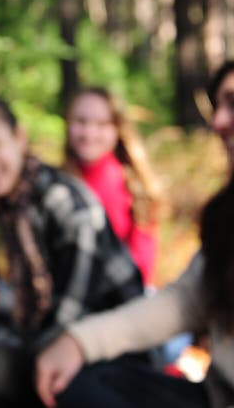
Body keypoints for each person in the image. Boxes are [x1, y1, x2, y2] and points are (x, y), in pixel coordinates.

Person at [35, 61, 234, 408]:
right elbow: (189, 298)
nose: (217, 123)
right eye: (219, 106)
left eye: (233, 103)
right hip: (211, 389)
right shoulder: (225, 213)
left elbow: (138, 268)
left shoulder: (127, 188)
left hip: (125, 297)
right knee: (87, 382)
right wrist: (79, 341)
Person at [0, 92, 143, 407]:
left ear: (19, 138)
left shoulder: (64, 203)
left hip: (108, 347)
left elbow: (71, 314)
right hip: (54, 329)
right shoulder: (9, 204)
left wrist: (18, 347)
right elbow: (29, 297)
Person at [65, 87, 162, 285]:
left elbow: (142, 264)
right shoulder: (58, 182)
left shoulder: (131, 185)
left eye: (102, 124)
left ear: (118, 129)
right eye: (81, 121)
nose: (89, 133)